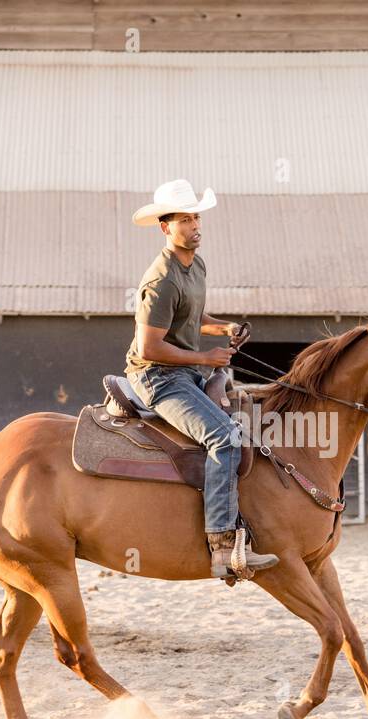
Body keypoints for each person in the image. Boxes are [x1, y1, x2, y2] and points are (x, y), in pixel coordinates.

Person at [125, 179, 279, 579]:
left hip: (190, 370)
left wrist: (223, 328)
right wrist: (204, 356)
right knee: (225, 437)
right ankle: (223, 546)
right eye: (185, 219)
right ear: (165, 227)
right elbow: (148, 347)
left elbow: (194, 319)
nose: (195, 225)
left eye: (196, 217)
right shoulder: (161, 280)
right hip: (159, 378)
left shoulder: (196, 266)